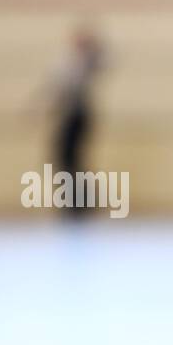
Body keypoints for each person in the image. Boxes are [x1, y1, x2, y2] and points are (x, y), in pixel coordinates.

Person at [42, 27, 105, 220]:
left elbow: (105, 59)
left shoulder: (84, 62)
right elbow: (55, 88)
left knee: (72, 159)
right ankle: (74, 202)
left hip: (78, 115)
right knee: (66, 159)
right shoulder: (70, 61)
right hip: (70, 115)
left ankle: (80, 204)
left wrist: (91, 46)